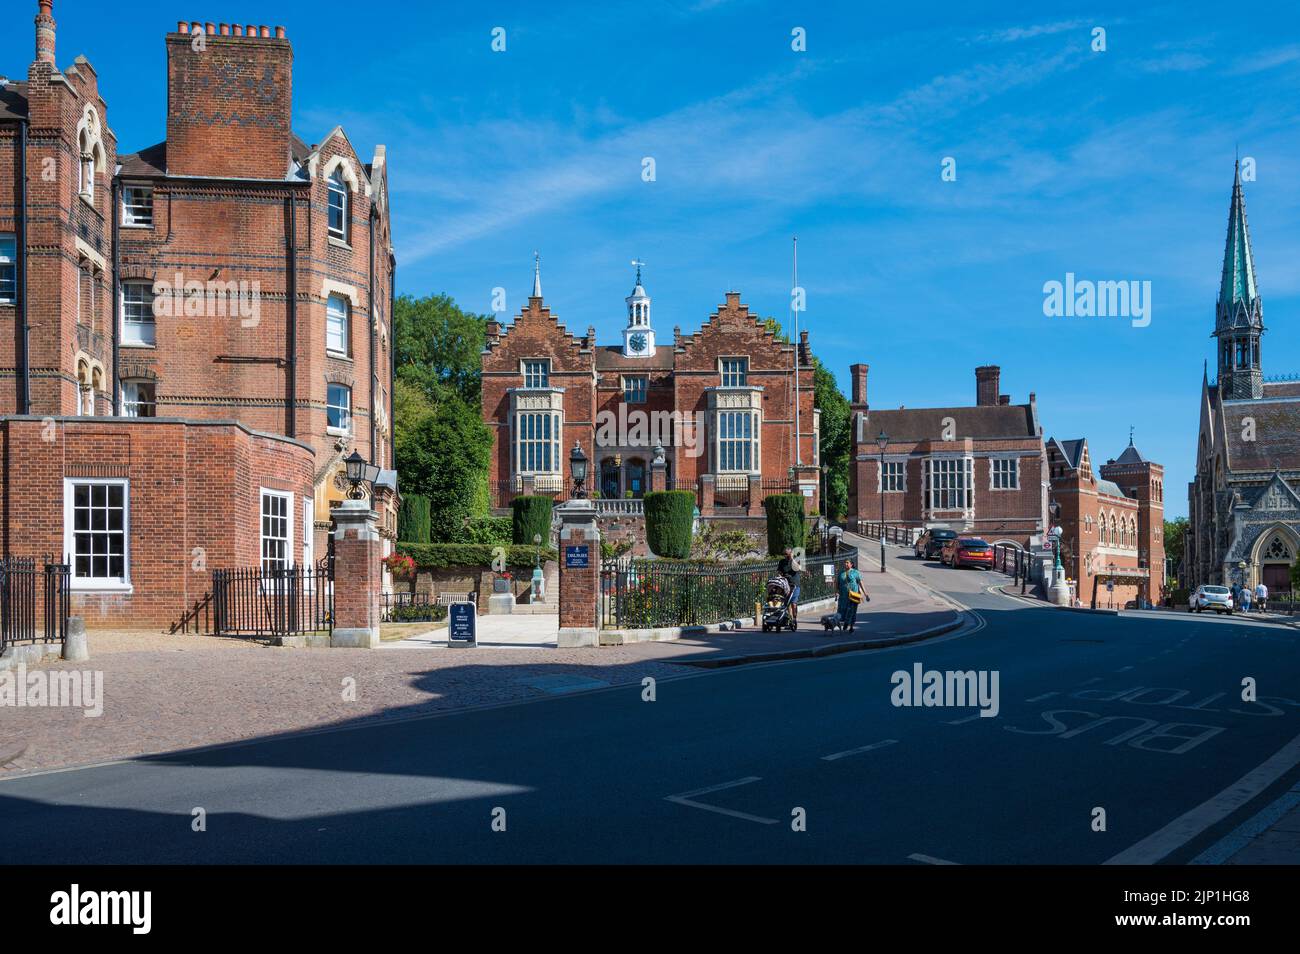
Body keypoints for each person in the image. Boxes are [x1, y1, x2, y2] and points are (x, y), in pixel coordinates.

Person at [836, 558, 866, 631]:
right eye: (845, 562)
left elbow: (860, 583)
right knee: (843, 610)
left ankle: (851, 626)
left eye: (847, 562)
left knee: (852, 611)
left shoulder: (855, 572)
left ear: (851, 564)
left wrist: (866, 594)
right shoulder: (841, 572)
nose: (845, 564)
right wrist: (836, 592)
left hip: (854, 595)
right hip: (843, 596)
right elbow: (837, 583)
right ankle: (846, 622)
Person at [777, 548, 803, 625]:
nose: (785, 556)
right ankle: (789, 619)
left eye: (787, 554)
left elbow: (798, 568)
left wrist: (792, 559)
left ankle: (794, 619)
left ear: (791, 553)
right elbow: (779, 572)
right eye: (784, 554)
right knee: (786, 603)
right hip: (785, 584)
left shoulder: (796, 560)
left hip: (794, 584)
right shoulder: (782, 562)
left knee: (793, 603)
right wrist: (780, 577)